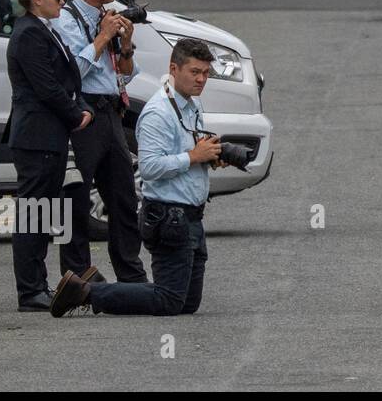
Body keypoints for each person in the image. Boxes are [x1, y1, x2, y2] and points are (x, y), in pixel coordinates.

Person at [49, 38, 240, 317]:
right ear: (174, 69)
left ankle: (97, 287)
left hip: (191, 217)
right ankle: (85, 292)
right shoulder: (157, 113)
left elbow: (185, 154)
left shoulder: (192, 106)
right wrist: (193, 157)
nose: (201, 79)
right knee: (169, 300)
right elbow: (149, 168)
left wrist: (208, 158)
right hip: (168, 217)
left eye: (206, 73)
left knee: (187, 303)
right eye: (195, 72)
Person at [52, 0, 146, 286]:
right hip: (83, 113)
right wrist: (104, 36)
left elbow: (126, 74)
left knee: (123, 197)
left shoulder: (109, 14)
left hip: (111, 111)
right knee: (75, 198)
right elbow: (71, 71)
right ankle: (78, 275)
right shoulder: (66, 20)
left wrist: (126, 44)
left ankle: (130, 272)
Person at [5, 0, 94, 311]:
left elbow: (69, 77)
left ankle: (38, 285)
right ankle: (30, 291)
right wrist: (75, 115)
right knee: (33, 214)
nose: (63, 2)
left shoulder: (46, 30)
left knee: (44, 214)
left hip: (50, 135)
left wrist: (81, 106)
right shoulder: (28, 34)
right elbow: (46, 87)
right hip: (37, 137)